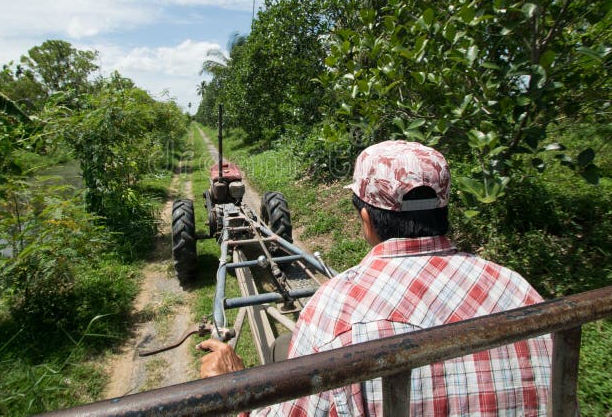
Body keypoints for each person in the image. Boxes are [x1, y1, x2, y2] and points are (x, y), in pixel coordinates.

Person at [198, 140, 552, 415]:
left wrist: (239, 386)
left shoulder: (337, 311)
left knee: (281, 351)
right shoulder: (520, 289)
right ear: (443, 208)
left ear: (366, 219)